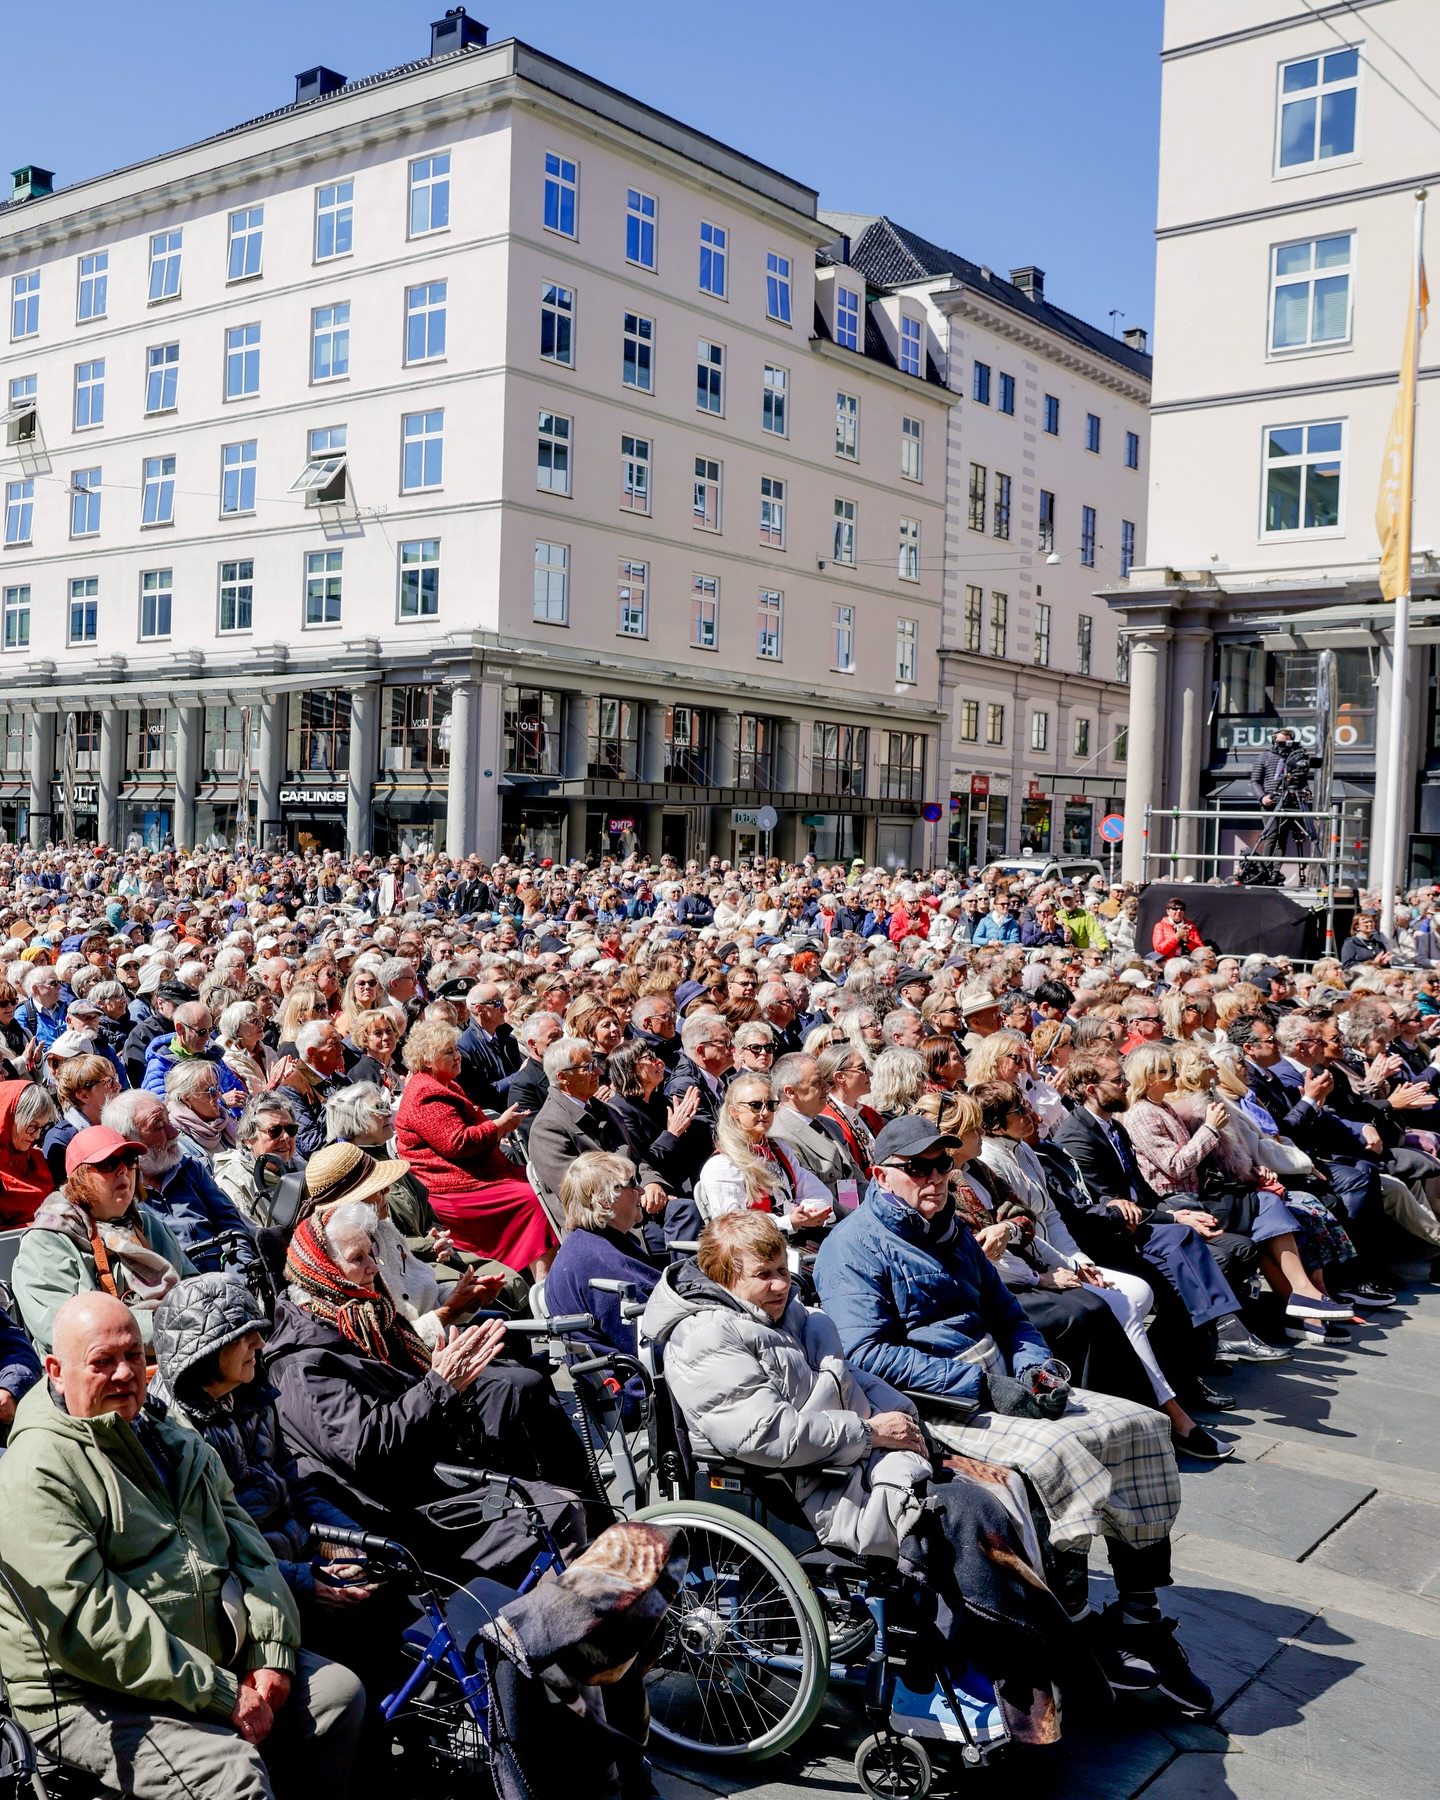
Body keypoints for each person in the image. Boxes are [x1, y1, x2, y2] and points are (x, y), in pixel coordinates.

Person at [813, 1115, 1212, 1716]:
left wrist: (1035, 1369)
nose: (935, 1177)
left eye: (942, 1165)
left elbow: (1010, 1316)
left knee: (1140, 1425)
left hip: (996, 1378)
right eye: (917, 1168)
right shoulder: (852, 1245)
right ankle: (1075, 1623)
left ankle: (1138, 1616)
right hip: (928, 1398)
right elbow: (866, 1354)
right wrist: (985, 1387)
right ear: (880, 1174)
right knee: (1063, 1456)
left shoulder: (954, 1231)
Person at [0, 1291, 364, 1800]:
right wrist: (220, 1693)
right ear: (56, 1371)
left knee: (337, 1697)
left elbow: (249, 1546)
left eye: (133, 1355)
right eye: (102, 1362)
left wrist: (271, 1650)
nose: (125, 1374)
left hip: (211, 1659)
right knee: (229, 1775)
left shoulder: (167, 1431)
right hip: (91, 1694)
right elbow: (90, 1624)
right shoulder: (37, 1469)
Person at [263, 1202, 590, 1583]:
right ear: (323, 1270)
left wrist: (444, 1378)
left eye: (372, 1253)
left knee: (519, 1390)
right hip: (407, 1509)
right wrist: (440, 1383)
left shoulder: (359, 1315)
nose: (373, 1267)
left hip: (424, 1461)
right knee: (557, 1510)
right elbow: (366, 1450)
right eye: (358, 1259)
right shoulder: (305, 1364)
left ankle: (590, 1535)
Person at [393, 1018, 553, 1277]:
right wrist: (500, 1126)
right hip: (452, 1191)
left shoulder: (444, 1083)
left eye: (456, 1049)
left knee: (546, 1184)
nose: (458, 1056)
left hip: (472, 1176)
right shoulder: (426, 1093)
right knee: (534, 1201)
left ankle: (542, 1274)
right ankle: (543, 1286)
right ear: (427, 1059)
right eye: (449, 1052)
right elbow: (457, 1144)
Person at [104, 1089, 259, 1274]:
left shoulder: (190, 1168)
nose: (173, 1133)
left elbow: (231, 1224)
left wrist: (239, 1273)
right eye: (159, 1126)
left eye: (168, 1121)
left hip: (229, 1277)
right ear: (128, 1140)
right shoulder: (122, 1195)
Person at [543, 1150, 662, 1360]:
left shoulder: (589, 1244)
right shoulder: (603, 1264)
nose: (641, 1190)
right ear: (605, 1200)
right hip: (638, 1385)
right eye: (632, 1183)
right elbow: (654, 1344)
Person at [694, 1074, 834, 1232]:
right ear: (734, 1111)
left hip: (793, 1239)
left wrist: (809, 1212)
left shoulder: (779, 1148)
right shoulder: (723, 1164)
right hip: (754, 1250)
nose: (765, 1112)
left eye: (771, 1105)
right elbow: (733, 1225)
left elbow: (817, 1192)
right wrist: (788, 1222)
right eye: (755, 1105)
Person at [0, 1076, 59, 1227]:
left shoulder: (37, 1159)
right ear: (10, 1118)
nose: (37, 1135)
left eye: (41, 1127)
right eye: (32, 1126)